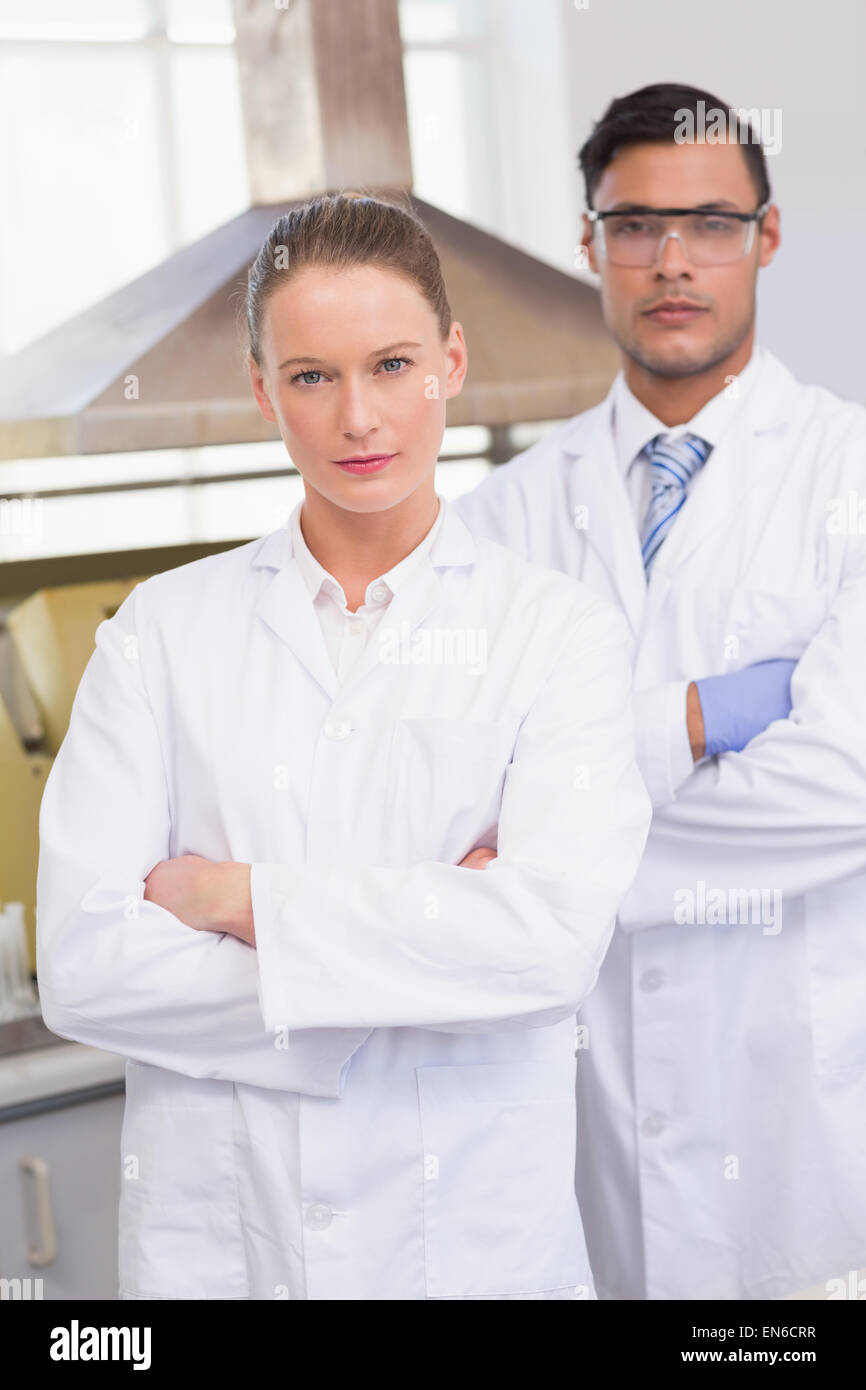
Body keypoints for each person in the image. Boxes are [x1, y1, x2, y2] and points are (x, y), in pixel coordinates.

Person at [35, 193, 652, 1301]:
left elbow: (549, 949)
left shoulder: (556, 634)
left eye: (392, 363)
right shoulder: (162, 633)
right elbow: (84, 968)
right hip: (223, 1253)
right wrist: (431, 935)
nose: (358, 417)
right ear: (265, 391)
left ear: (450, 362)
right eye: (313, 376)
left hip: (475, 1248)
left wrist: (231, 898)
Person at [453, 83, 866, 1300]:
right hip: (586, 1132)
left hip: (804, 1109)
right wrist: (695, 719)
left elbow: (843, 783)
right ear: (588, 242)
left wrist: (557, 843)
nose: (670, 261)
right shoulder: (497, 523)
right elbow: (455, 802)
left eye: (709, 225)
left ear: (766, 236)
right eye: (633, 226)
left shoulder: (849, 478)